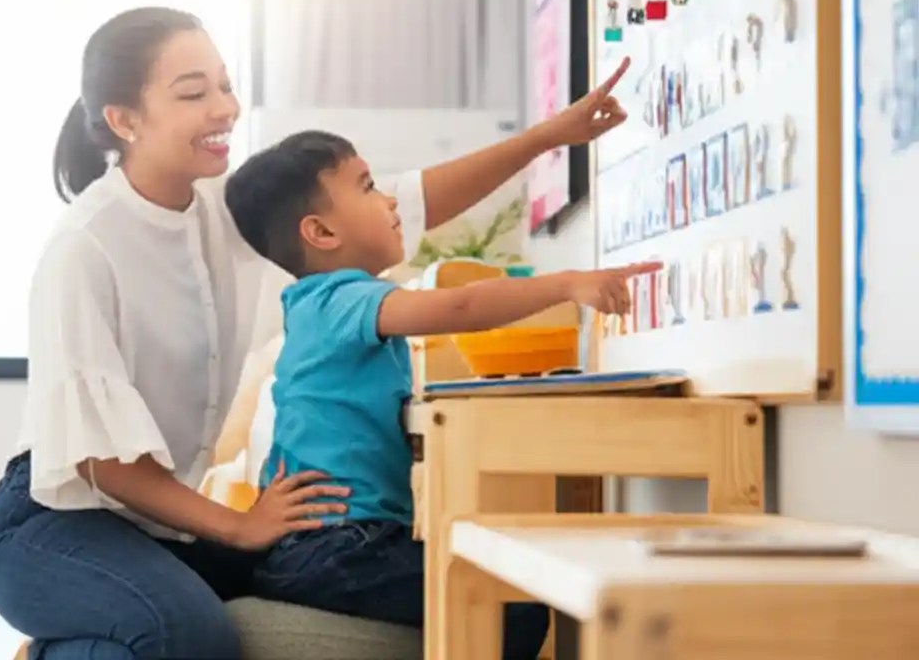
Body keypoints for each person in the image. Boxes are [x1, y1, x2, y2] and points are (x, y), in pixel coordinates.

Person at [0, 5, 630, 660]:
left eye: (225, 86)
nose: (224, 109)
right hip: (51, 524)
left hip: (151, 525)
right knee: (191, 634)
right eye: (193, 93)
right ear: (123, 120)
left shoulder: (224, 213)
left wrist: (551, 136)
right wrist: (237, 526)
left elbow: (409, 201)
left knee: (281, 582)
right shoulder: (83, 249)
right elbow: (102, 461)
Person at [223, 130, 659, 655]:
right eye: (367, 187)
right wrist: (566, 285)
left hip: (327, 545)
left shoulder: (317, 306)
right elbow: (460, 309)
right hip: (336, 549)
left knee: (500, 589)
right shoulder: (341, 297)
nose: (388, 201)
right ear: (319, 231)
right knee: (512, 607)